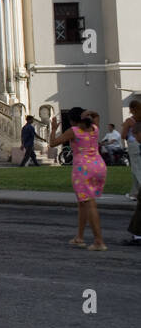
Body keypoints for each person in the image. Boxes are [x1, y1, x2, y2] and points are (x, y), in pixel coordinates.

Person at [49, 107, 106, 250]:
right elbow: (97, 114)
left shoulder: (73, 131)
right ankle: (79, 237)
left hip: (83, 169)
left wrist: (53, 128)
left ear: (72, 120)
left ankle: (99, 241)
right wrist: (89, 113)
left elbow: (53, 143)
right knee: (83, 202)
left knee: (89, 203)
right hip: (98, 165)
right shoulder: (94, 128)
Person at [124, 100, 141, 200]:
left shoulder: (130, 120)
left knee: (136, 169)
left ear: (131, 109)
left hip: (134, 144)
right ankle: (134, 193)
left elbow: (123, 134)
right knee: (137, 168)